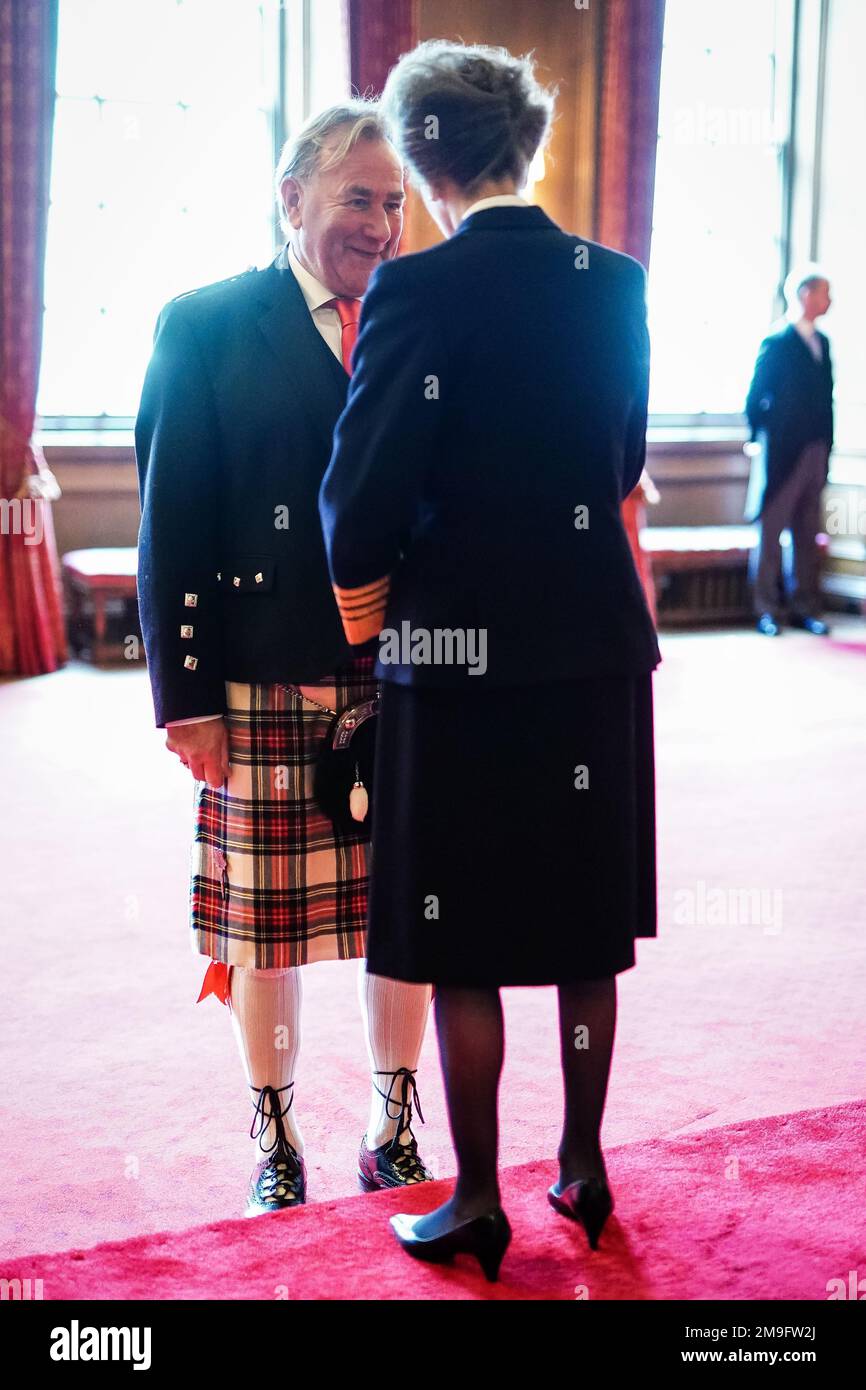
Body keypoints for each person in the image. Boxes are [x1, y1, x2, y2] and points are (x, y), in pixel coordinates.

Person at [320, 40, 661, 1281]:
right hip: (589, 649)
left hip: (453, 662)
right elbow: (617, 462)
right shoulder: (609, 279)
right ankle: (580, 1163)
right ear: (530, 144)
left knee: (456, 936)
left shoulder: (416, 292)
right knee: (582, 931)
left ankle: (472, 1196)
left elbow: (359, 503)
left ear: (423, 157)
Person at [135, 102, 433, 1217]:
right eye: (357, 197)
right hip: (264, 674)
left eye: (395, 201)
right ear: (291, 198)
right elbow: (173, 521)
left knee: (407, 914)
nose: (380, 223)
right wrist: (187, 697)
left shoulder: (413, 320)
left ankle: (393, 1116)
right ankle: (274, 1131)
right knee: (266, 930)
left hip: (404, 675)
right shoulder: (206, 324)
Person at [745, 266, 835, 637]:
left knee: (806, 531)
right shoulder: (778, 341)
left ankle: (804, 606)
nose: (829, 300)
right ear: (804, 295)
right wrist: (765, 436)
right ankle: (766, 608)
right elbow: (756, 396)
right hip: (783, 453)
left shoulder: (823, 343)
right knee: (771, 532)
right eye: (824, 292)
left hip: (816, 449)